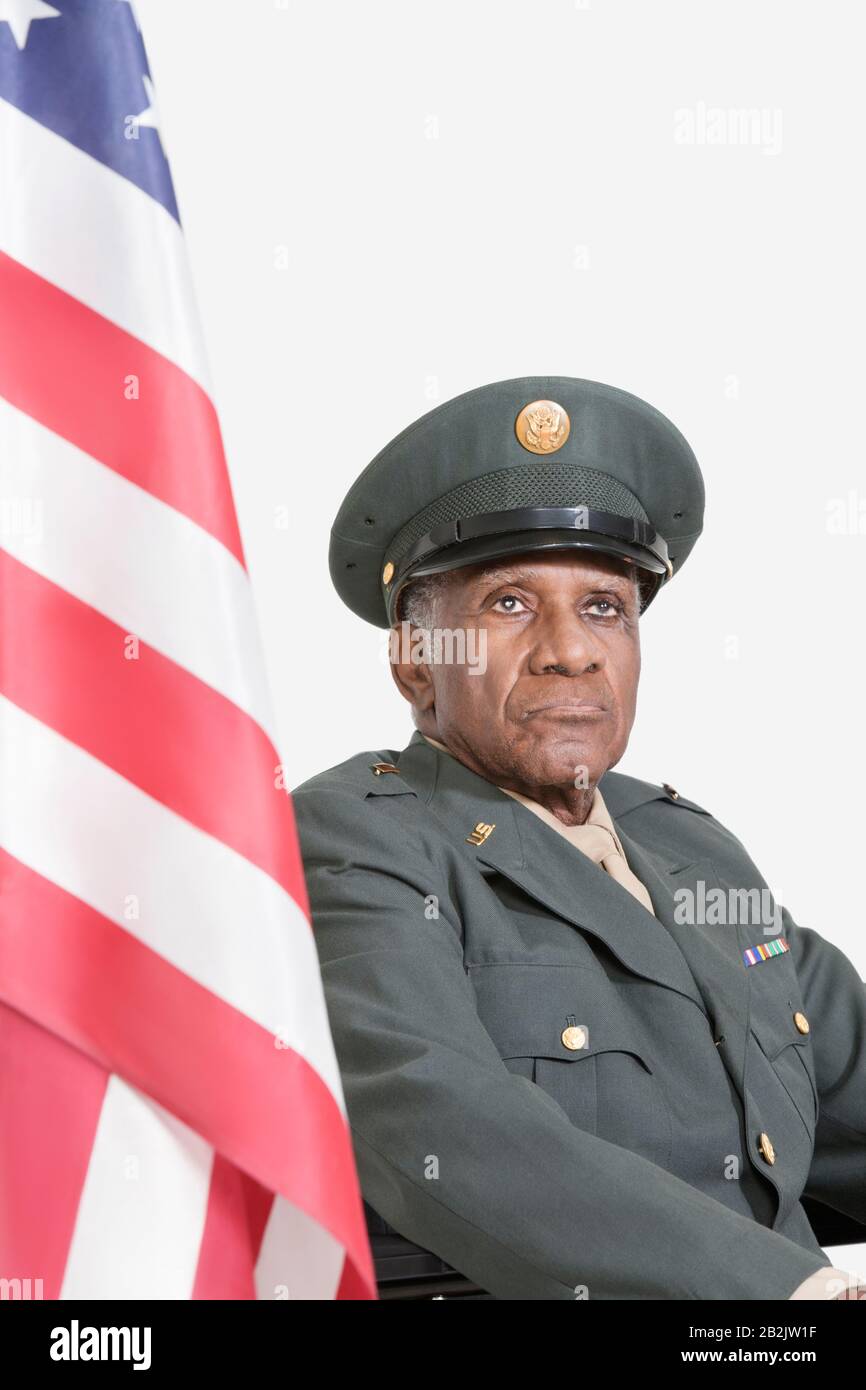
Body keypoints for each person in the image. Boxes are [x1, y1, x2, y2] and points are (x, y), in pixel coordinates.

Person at [293, 376, 866, 1299]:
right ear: (414, 659)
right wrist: (792, 1299)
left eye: (605, 606)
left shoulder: (693, 852)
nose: (572, 649)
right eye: (511, 604)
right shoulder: (356, 841)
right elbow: (450, 1134)